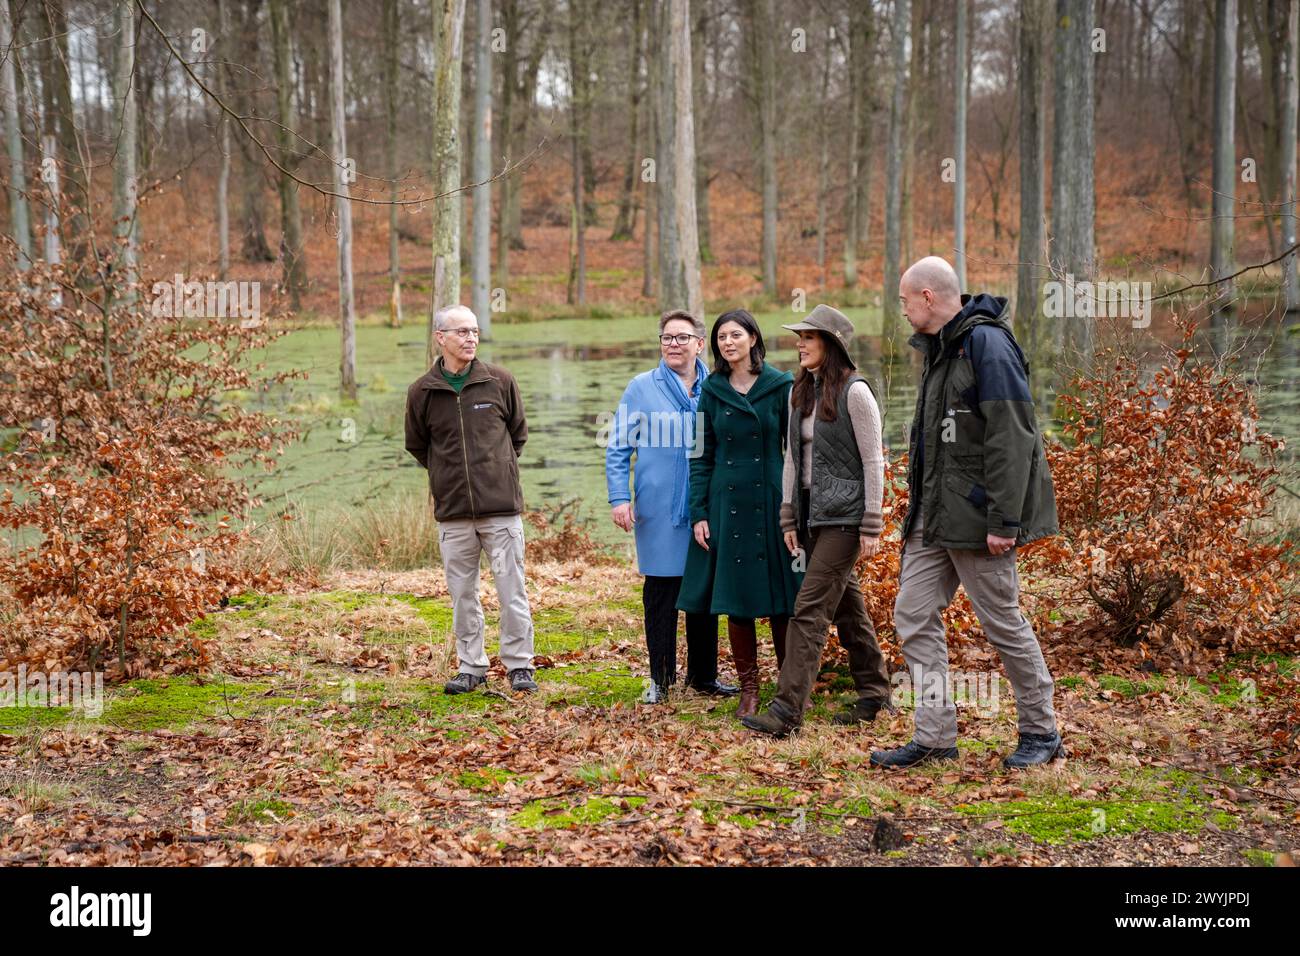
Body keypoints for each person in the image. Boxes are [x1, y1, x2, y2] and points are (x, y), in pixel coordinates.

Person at [870, 256, 1061, 770]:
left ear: (929, 297)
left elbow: (1012, 437)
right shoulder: (940, 349)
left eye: (906, 299)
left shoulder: (987, 345)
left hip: (979, 520)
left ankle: (1041, 731)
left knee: (1002, 623)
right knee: (912, 614)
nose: (903, 309)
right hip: (934, 518)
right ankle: (935, 736)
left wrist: (1005, 522)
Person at [740, 305, 894, 737]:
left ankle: (787, 711)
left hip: (846, 519)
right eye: (800, 336)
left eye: (809, 337)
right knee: (848, 605)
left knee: (808, 608)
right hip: (811, 514)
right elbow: (793, 458)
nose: (800, 343)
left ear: (832, 344)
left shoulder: (856, 393)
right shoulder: (801, 391)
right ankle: (875, 693)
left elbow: (873, 461)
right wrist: (788, 515)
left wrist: (872, 523)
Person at [605, 310, 739, 704]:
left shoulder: (717, 387)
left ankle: (703, 677)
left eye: (682, 338)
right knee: (661, 592)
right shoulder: (642, 387)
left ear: (700, 343)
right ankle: (660, 680)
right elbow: (618, 447)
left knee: (702, 593)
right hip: (659, 510)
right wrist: (619, 498)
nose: (673, 344)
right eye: (667, 338)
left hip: (705, 507)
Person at [403, 304, 538, 695]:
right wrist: (449, 479)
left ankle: (519, 665)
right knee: (463, 595)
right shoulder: (422, 392)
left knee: (512, 590)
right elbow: (418, 446)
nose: (470, 338)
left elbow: (517, 436)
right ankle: (471, 666)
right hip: (454, 515)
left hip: (500, 512)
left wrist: (495, 471)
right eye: (461, 332)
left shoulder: (500, 381)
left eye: (474, 331)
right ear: (440, 337)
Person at [677, 310, 802, 718]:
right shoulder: (711, 390)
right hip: (725, 503)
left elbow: (798, 451)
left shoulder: (781, 385)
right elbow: (699, 454)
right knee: (737, 597)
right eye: (721, 337)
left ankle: (789, 688)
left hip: (772, 497)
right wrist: (698, 511)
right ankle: (749, 688)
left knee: (783, 597)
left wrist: (797, 507)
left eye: (735, 335)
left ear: (752, 338)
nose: (727, 343)